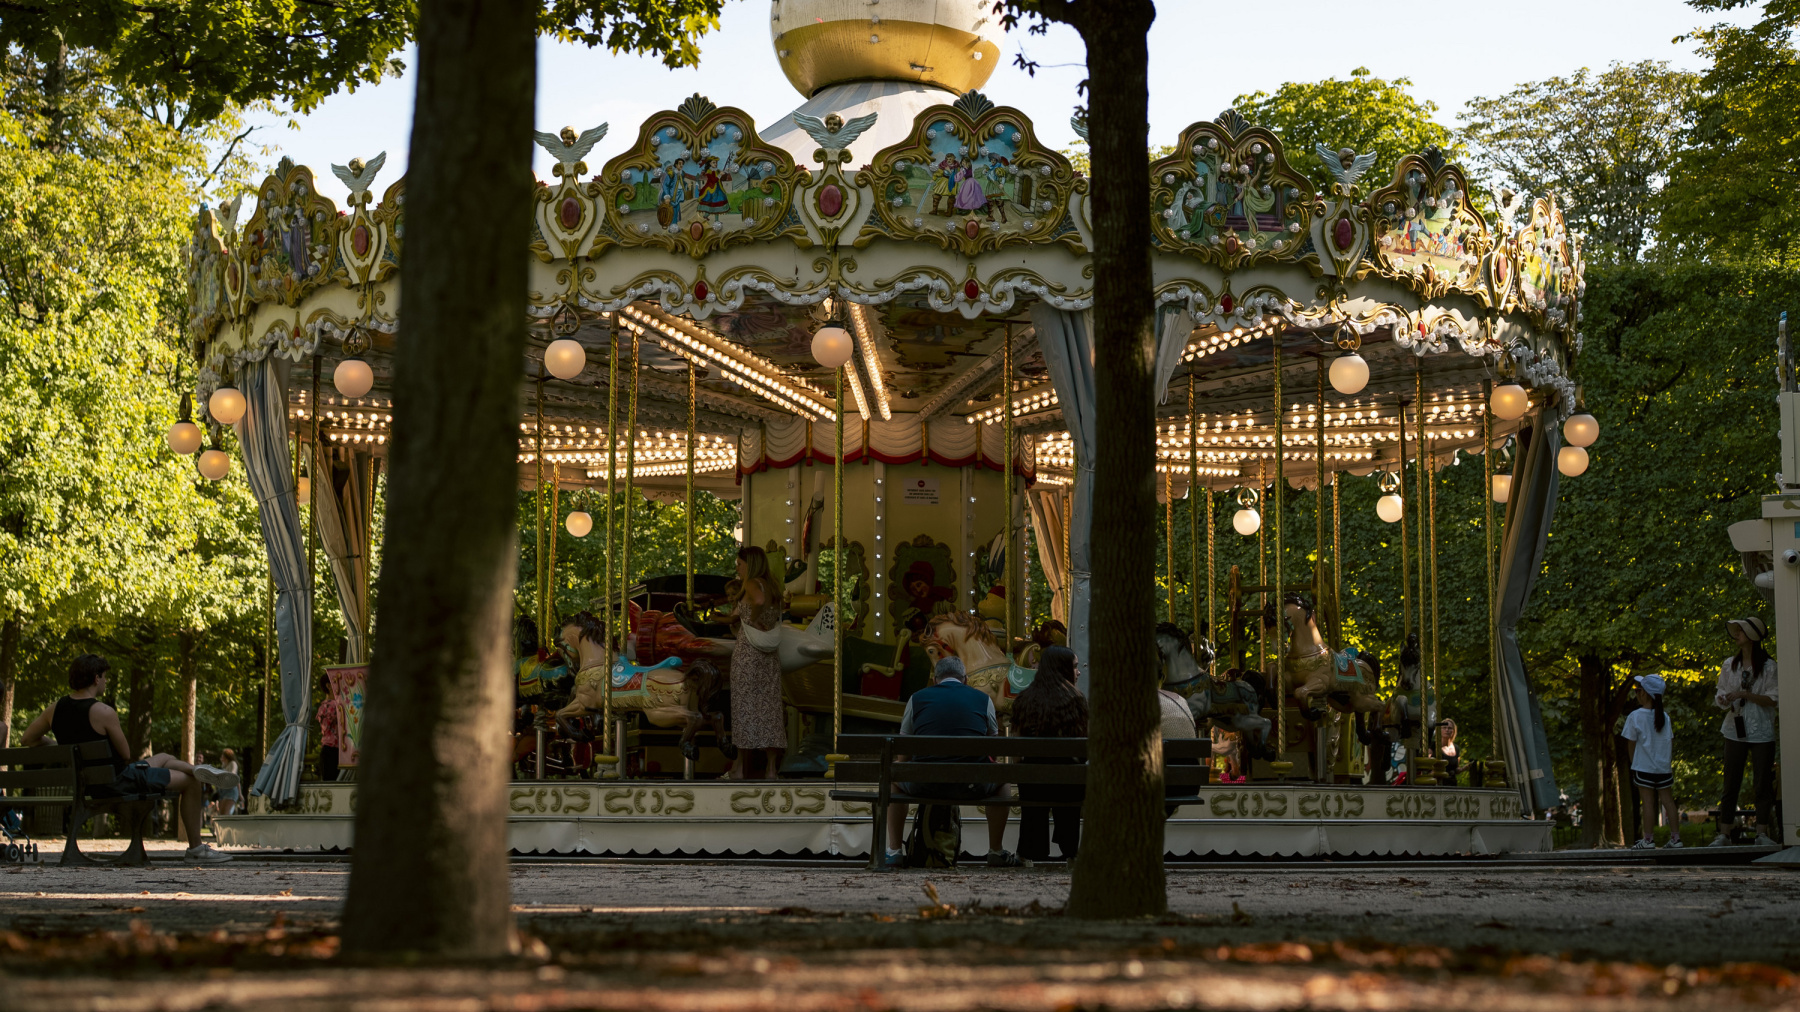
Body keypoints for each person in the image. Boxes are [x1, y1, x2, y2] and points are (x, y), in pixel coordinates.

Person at [18, 654, 237, 863]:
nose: (105, 682)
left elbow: (27, 738)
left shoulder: (54, 709)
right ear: (96, 678)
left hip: (86, 784)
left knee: (163, 757)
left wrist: (64, 748)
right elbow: (125, 754)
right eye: (104, 677)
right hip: (117, 782)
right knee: (191, 783)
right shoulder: (103, 711)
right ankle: (197, 847)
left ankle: (194, 768)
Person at [882, 656, 1029, 870]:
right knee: (1002, 779)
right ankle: (996, 850)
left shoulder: (916, 698)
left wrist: (905, 766)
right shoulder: (983, 699)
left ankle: (894, 850)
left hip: (925, 785)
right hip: (972, 785)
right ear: (966, 680)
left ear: (934, 680)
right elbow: (993, 751)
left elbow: (903, 753)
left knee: (893, 780)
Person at [1010, 645, 1086, 862]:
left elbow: (1016, 752)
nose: (1078, 672)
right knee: (1071, 780)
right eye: (1074, 667)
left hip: (1033, 783)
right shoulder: (1077, 700)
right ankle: (1070, 851)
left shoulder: (1024, 699)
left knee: (1032, 783)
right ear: (1062, 669)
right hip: (1069, 784)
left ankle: (1029, 850)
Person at [1711, 616, 1778, 846]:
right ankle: (1724, 834)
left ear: (1752, 636)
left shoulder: (1769, 667)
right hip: (1733, 729)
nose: (1736, 633)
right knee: (1730, 782)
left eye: (1741, 630)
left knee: (1763, 783)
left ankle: (1761, 833)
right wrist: (1723, 698)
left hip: (1762, 731)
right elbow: (1721, 691)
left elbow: (1773, 699)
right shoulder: (1730, 664)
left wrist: (1745, 695)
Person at [729, 546, 786, 779]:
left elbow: (758, 602)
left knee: (744, 708)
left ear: (749, 564)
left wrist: (751, 620)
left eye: (739, 564)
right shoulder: (772, 585)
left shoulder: (752, 583)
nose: (737, 569)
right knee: (770, 709)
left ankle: (740, 767)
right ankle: (771, 768)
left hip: (748, 654)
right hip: (769, 656)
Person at [1622, 673, 1680, 850]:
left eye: (1638, 690)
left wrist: (1633, 763)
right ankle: (1676, 839)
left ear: (1645, 693)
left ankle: (1648, 840)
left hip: (1643, 766)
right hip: (1663, 767)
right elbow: (1669, 741)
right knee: (1668, 801)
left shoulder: (1635, 716)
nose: (1636, 693)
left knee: (1647, 803)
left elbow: (1630, 743)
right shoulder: (1666, 717)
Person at [315, 674, 342, 782]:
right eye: (335, 682)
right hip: (332, 749)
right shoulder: (330, 706)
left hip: (335, 749)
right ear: (328, 686)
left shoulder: (325, 706)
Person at [213, 748, 241, 817]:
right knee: (221, 813)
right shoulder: (224, 766)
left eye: (222, 756)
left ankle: (228, 827)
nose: (221, 758)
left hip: (231, 791)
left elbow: (234, 777)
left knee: (226, 812)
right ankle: (221, 828)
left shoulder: (233, 763)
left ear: (226, 757)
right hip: (223, 791)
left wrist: (240, 794)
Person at [1436, 719, 1460, 784]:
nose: (1447, 730)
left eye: (1449, 728)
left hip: (1452, 783)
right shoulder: (1434, 746)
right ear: (1440, 730)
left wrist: (1465, 768)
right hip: (1438, 782)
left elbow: (1456, 769)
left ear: (1453, 731)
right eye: (1444, 728)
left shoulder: (1456, 748)